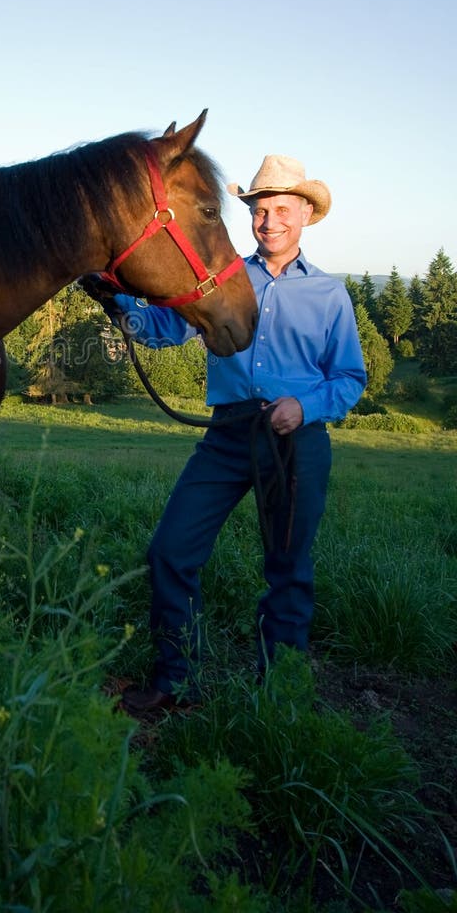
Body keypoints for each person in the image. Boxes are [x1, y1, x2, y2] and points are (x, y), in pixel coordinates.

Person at [81, 155, 366, 718]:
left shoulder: (330, 295)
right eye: (260, 211)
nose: (270, 221)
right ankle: (174, 682)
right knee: (171, 550)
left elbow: (350, 378)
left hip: (295, 444)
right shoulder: (221, 277)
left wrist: (304, 406)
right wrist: (119, 301)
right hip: (228, 434)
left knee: (288, 567)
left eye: (282, 209)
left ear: (305, 214)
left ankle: (277, 701)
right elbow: (165, 330)